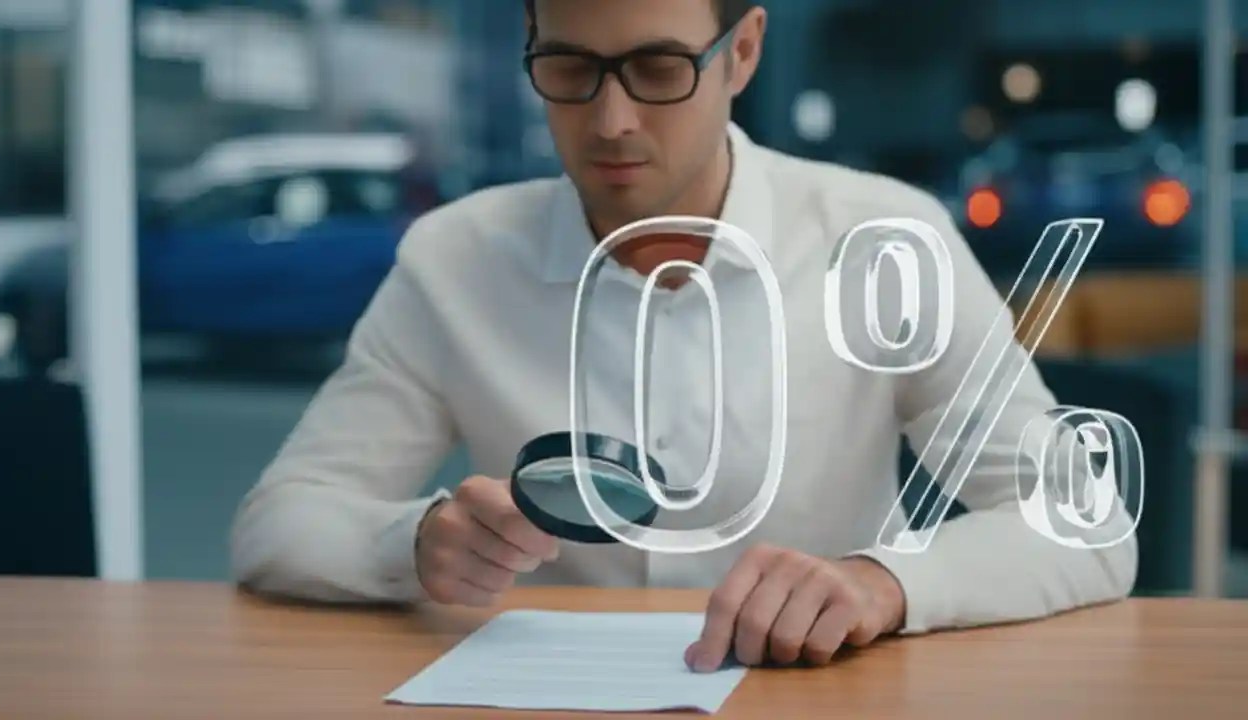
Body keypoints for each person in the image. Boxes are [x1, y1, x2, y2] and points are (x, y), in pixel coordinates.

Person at [231, 0, 1138, 673]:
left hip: (817, 698)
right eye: (570, 68)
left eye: (661, 69)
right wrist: (415, 540)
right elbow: (283, 522)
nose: (610, 119)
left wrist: (883, 583)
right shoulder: (455, 259)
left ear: (742, 51)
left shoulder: (879, 243)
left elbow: (1088, 526)